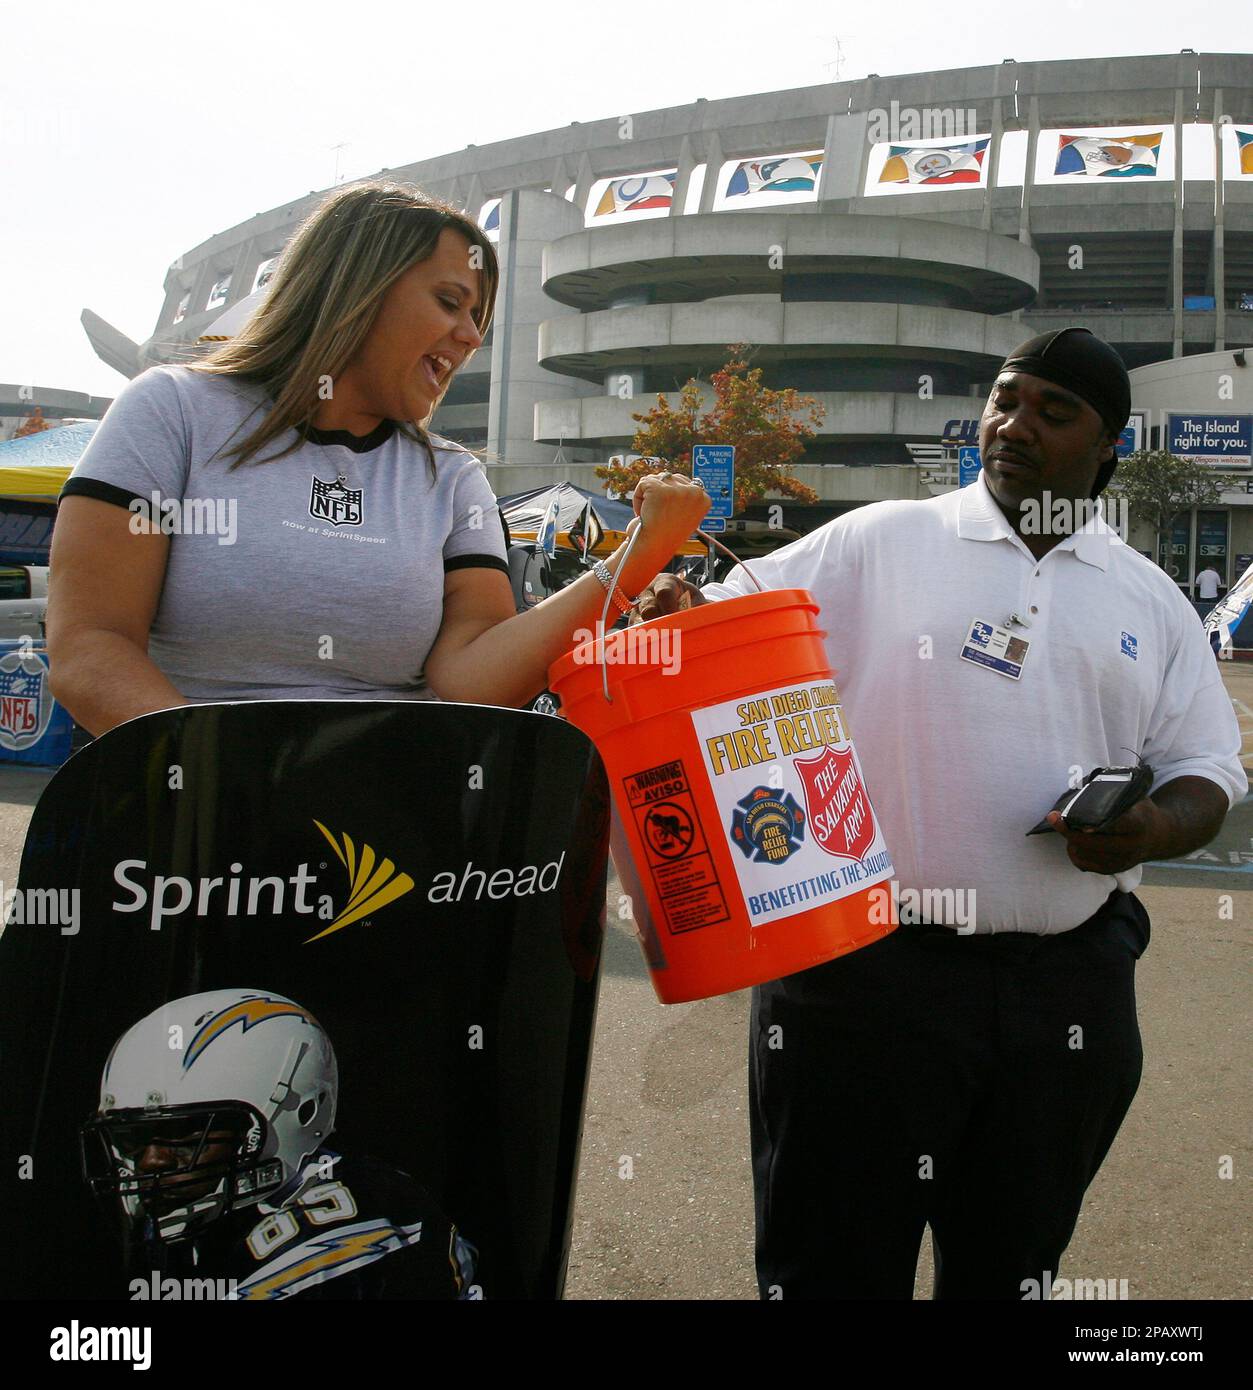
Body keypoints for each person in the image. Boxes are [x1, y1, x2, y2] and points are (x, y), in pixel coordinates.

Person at [635, 328, 1246, 1299]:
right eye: (1005, 399)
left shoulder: (1153, 600)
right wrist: (673, 599)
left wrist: (1153, 828)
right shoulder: (879, 539)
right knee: (827, 1270)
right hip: (860, 985)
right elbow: (719, 615)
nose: (1014, 425)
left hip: (1062, 999)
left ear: (1106, 451)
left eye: (1052, 411)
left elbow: (1208, 768)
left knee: (1009, 1272)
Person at [47, 182, 708, 734]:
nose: (472, 336)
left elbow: (471, 683)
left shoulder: (452, 476)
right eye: (449, 301)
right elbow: (88, 647)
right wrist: (221, 785)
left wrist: (637, 555)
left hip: (393, 840)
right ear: (351, 288)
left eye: (478, 316)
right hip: (192, 843)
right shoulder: (171, 409)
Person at [81, 988, 475, 1299]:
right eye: (134, 1139)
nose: (150, 1162)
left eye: (184, 1134)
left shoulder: (354, 1225)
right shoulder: (205, 1216)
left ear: (293, 1113)